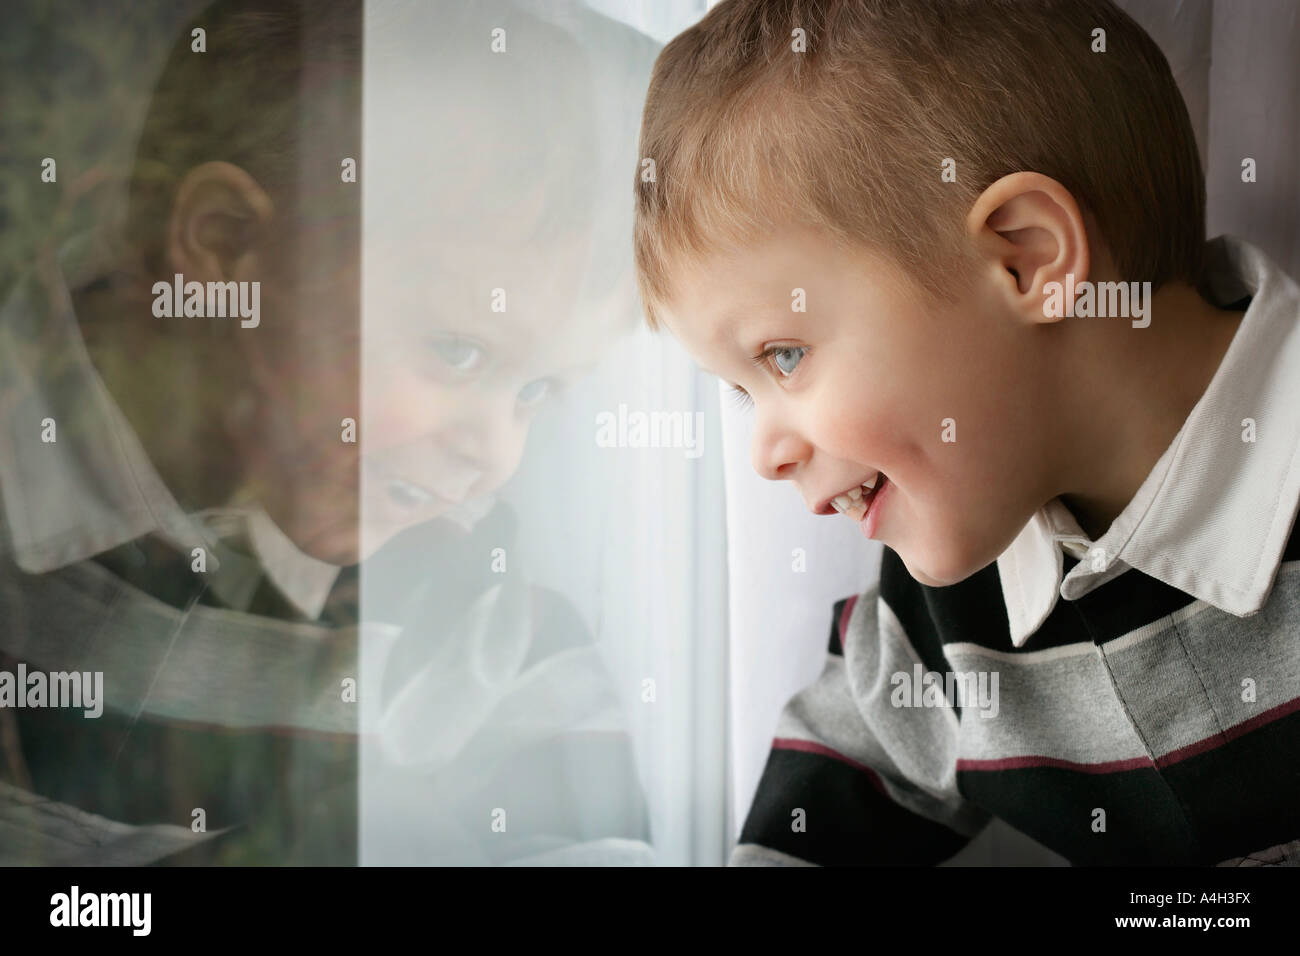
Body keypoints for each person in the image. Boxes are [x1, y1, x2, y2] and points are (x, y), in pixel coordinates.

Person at [635, 0, 1300, 865]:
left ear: (1026, 258)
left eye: (785, 354)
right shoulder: (937, 623)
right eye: (738, 391)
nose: (764, 454)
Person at [0, 0, 656, 864]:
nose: (496, 455)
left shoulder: (460, 576)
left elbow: (589, 837)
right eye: (457, 352)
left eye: (537, 389)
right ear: (230, 247)